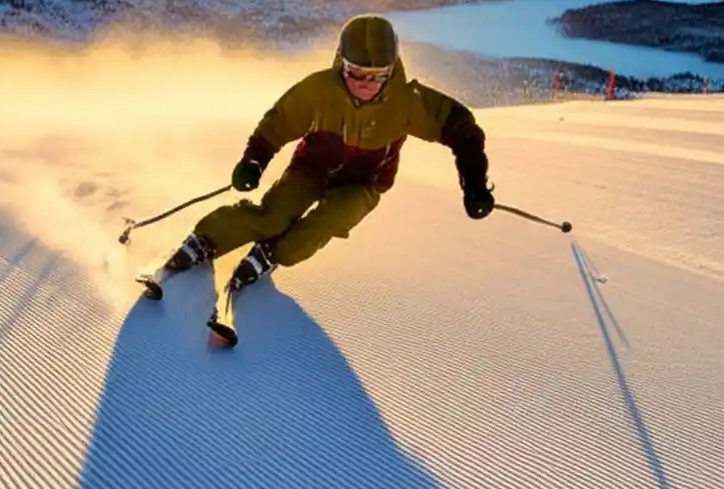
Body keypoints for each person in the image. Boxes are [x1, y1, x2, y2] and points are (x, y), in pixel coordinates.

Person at [165, 14, 494, 287]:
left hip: (363, 184)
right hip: (311, 168)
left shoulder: (407, 103)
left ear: (392, 70)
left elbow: (462, 129)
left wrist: (474, 182)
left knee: (316, 230)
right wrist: (254, 160)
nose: (366, 83)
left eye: (378, 75)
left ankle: (271, 253)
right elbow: (278, 123)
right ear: (341, 63)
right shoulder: (319, 90)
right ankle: (207, 239)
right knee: (274, 216)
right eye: (356, 73)